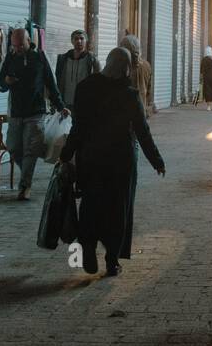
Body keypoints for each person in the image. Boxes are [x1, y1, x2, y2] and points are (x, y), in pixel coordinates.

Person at [60, 47, 165, 277]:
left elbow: (78, 127)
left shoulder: (86, 88)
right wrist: (156, 160)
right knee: (118, 209)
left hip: (91, 158)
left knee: (91, 204)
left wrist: (66, 154)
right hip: (121, 161)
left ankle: (88, 245)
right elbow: (142, 131)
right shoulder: (129, 94)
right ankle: (111, 259)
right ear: (126, 68)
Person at [0, 27, 68, 200]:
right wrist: (6, 82)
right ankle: (26, 176)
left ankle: (24, 187)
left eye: (20, 45)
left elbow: (51, 83)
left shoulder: (39, 58)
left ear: (29, 41)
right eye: (14, 45)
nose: (17, 48)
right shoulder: (10, 58)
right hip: (15, 113)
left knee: (30, 150)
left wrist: (60, 106)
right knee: (13, 147)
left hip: (36, 113)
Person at [55, 29, 100, 111]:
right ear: (72, 41)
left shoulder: (92, 59)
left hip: (84, 102)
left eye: (81, 38)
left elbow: (99, 81)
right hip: (66, 102)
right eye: (76, 39)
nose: (79, 41)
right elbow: (57, 80)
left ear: (86, 41)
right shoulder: (63, 59)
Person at [120, 33, 152, 116]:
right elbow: (149, 89)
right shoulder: (146, 65)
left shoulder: (123, 65)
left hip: (126, 111)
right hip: (141, 108)